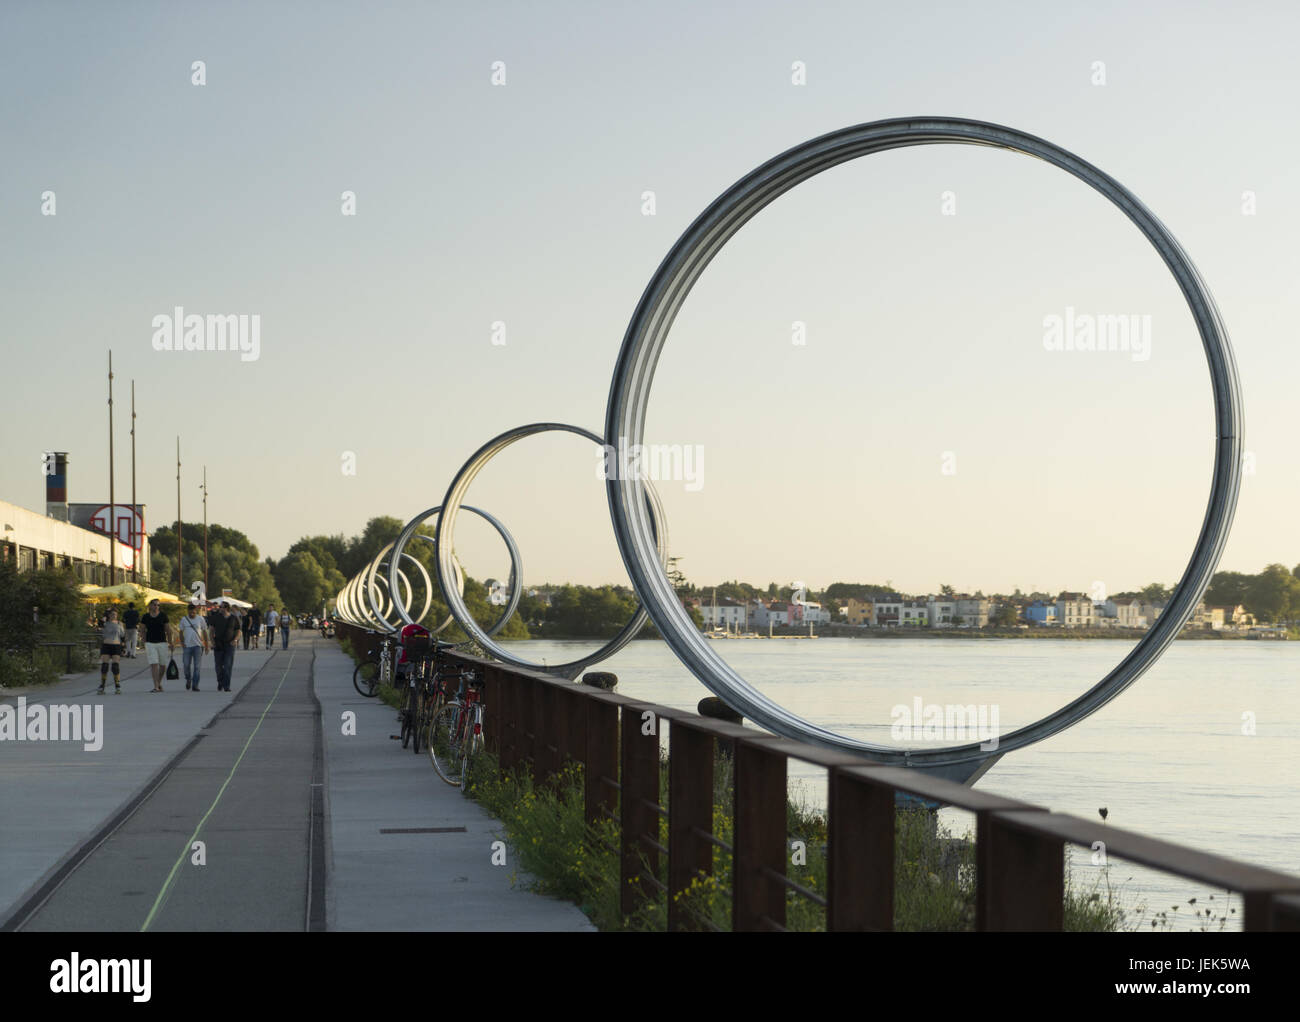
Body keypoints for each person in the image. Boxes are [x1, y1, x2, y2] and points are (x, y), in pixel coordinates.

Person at [140, 598, 173, 693]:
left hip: (162, 642)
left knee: (163, 666)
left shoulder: (163, 616)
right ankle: (156, 686)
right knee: (154, 664)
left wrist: (170, 643)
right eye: (154, 604)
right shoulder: (146, 616)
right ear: (150, 605)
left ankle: (158, 683)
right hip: (150, 643)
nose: (156, 606)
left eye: (158, 605)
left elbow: (168, 630)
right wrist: (144, 639)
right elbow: (142, 629)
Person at [178, 599, 210, 691]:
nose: (192, 613)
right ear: (188, 611)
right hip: (187, 647)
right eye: (190, 612)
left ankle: (195, 685)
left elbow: (204, 632)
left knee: (197, 667)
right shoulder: (184, 619)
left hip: (198, 646)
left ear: (196, 611)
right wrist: (182, 643)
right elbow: (180, 632)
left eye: (193, 612)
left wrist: (207, 646)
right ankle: (188, 679)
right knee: (186, 665)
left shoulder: (200, 619)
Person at [211, 601, 241, 692]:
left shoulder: (234, 618)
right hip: (218, 644)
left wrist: (235, 640)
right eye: (220, 607)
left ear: (226, 608)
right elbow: (211, 630)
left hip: (230, 645)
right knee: (218, 666)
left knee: (228, 665)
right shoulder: (215, 617)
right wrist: (212, 642)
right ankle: (220, 681)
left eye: (222, 607)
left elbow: (238, 631)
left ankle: (226, 685)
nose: (220, 608)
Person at [98, 608, 126, 694]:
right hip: (106, 645)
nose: (114, 616)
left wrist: (123, 647)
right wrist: (103, 619)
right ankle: (102, 686)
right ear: (109, 615)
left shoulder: (119, 624)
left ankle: (117, 686)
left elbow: (122, 636)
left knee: (115, 666)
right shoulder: (105, 623)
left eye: (115, 614)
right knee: (105, 666)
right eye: (112, 614)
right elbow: (99, 626)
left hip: (116, 645)